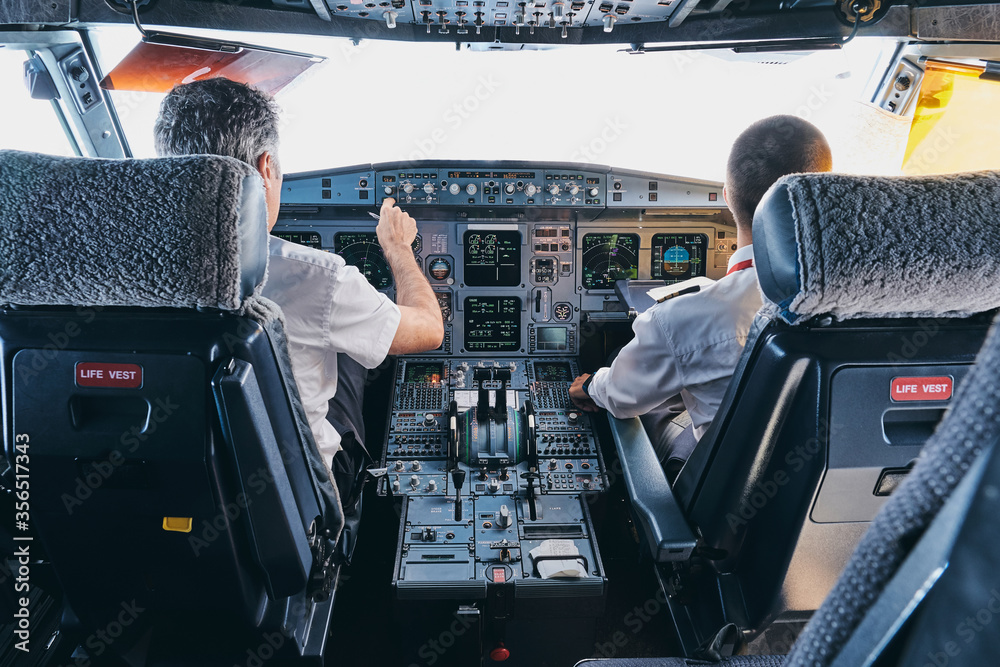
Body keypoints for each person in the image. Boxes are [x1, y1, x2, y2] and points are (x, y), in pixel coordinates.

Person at [154, 78, 444, 506]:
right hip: (296, 505)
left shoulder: (121, 272)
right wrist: (399, 249)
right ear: (266, 167)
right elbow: (429, 329)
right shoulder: (317, 276)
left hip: (170, 491)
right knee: (351, 349)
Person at [569, 115, 833, 478]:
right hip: (833, 499)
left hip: (726, 497)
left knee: (639, 376)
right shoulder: (883, 299)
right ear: (820, 194)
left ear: (726, 197)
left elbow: (621, 396)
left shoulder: (683, 319)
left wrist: (590, 385)